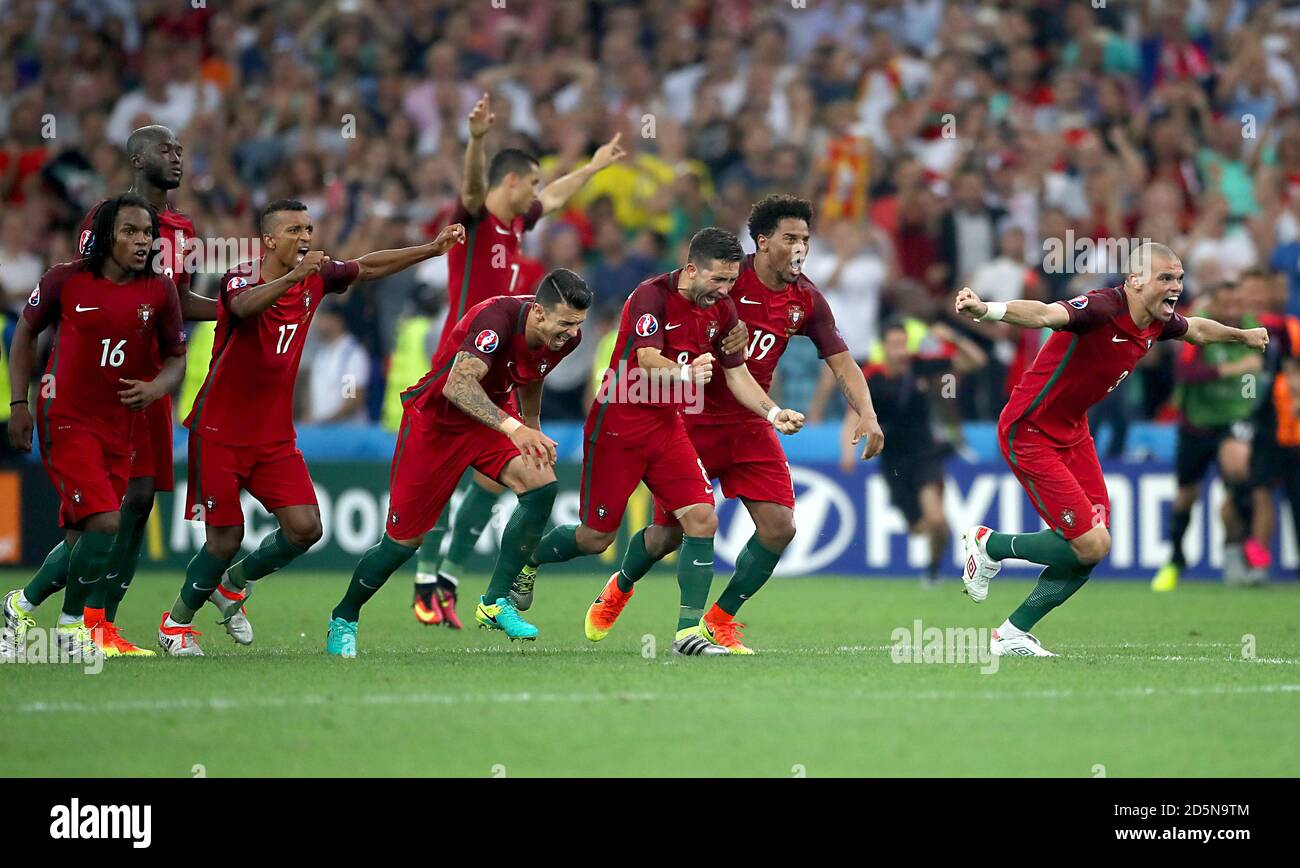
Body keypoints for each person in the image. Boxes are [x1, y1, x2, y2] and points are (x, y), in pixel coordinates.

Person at [569, 196, 885, 653]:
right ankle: (621, 584)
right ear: (762, 241)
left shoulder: (806, 299)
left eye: (806, 240)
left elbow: (842, 362)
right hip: (690, 420)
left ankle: (719, 619)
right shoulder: (724, 280)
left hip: (752, 423)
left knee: (780, 527)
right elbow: (665, 322)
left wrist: (868, 413)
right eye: (790, 238)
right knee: (666, 536)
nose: (800, 249)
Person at [155, 201, 465, 657]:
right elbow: (241, 307)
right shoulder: (242, 278)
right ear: (269, 240)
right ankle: (175, 624)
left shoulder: (315, 277)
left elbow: (367, 267)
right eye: (294, 229)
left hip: (274, 436)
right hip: (218, 431)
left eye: (309, 227)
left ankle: (234, 584)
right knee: (225, 538)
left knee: (305, 528)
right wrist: (294, 278)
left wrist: (430, 251)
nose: (304, 236)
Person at [954, 243, 1267, 657]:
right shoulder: (1102, 308)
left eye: (1178, 278)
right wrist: (987, 310)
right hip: (1030, 428)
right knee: (1092, 543)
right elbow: (1046, 313)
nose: (1175, 287)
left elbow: (1196, 329)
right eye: (1165, 278)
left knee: (1091, 549)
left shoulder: (1157, 320)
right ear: (1135, 281)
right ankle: (989, 544)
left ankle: (1011, 633)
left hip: (1073, 430)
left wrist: (1241, 335)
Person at [511, 227, 806, 655]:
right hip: (619, 424)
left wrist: (774, 413)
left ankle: (688, 634)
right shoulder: (650, 296)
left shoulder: (722, 311)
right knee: (596, 538)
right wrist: (685, 375)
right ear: (691, 269)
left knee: (702, 520)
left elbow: (738, 374)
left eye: (730, 281)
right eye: (718, 280)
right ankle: (529, 561)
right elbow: (645, 358)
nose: (725, 290)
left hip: (668, 427)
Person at [411, 93, 627, 630]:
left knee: (499, 481)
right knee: (445, 473)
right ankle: (425, 580)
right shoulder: (479, 220)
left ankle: (450, 580)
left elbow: (553, 195)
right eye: (529, 183)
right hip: (459, 366)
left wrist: (594, 167)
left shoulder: (517, 227)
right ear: (510, 183)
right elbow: (469, 189)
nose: (536, 193)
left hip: (503, 370)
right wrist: (479, 140)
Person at [326, 271, 592, 656]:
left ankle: (495, 600)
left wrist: (532, 425)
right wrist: (515, 428)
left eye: (578, 324)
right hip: (436, 425)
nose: (572, 333)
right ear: (537, 312)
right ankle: (343, 618)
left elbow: (535, 371)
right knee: (403, 543)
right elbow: (457, 386)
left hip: (489, 423)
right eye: (566, 323)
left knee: (542, 485)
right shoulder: (495, 319)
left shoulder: (565, 337)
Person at [2, 194, 186, 660]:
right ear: (106, 236)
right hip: (65, 418)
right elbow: (25, 332)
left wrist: (157, 387)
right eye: (130, 231)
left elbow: (176, 359)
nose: (142, 241)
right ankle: (70, 628)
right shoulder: (65, 280)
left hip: (119, 427)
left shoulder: (159, 291)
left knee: (83, 539)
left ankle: (18, 607)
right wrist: (18, 403)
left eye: (147, 233)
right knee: (107, 521)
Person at [845, 319, 986, 588]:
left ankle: (933, 570)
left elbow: (977, 362)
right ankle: (936, 548)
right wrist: (847, 451)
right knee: (918, 527)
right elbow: (852, 415)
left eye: (903, 343)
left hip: (925, 453)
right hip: (893, 461)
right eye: (894, 344)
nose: (899, 350)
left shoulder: (921, 365)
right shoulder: (870, 378)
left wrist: (953, 337)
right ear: (883, 347)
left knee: (936, 520)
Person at [1152, 280, 1260, 591]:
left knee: (1238, 470)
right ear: (1212, 307)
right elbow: (1186, 374)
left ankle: (1240, 551)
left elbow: (1265, 365)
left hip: (1231, 421)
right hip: (1195, 424)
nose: (1232, 311)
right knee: (1187, 495)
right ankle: (1175, 558)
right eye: (1225, 305)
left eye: (1237, 305)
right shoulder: (1196, 329)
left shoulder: (1252, 329)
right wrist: (1235, 369)